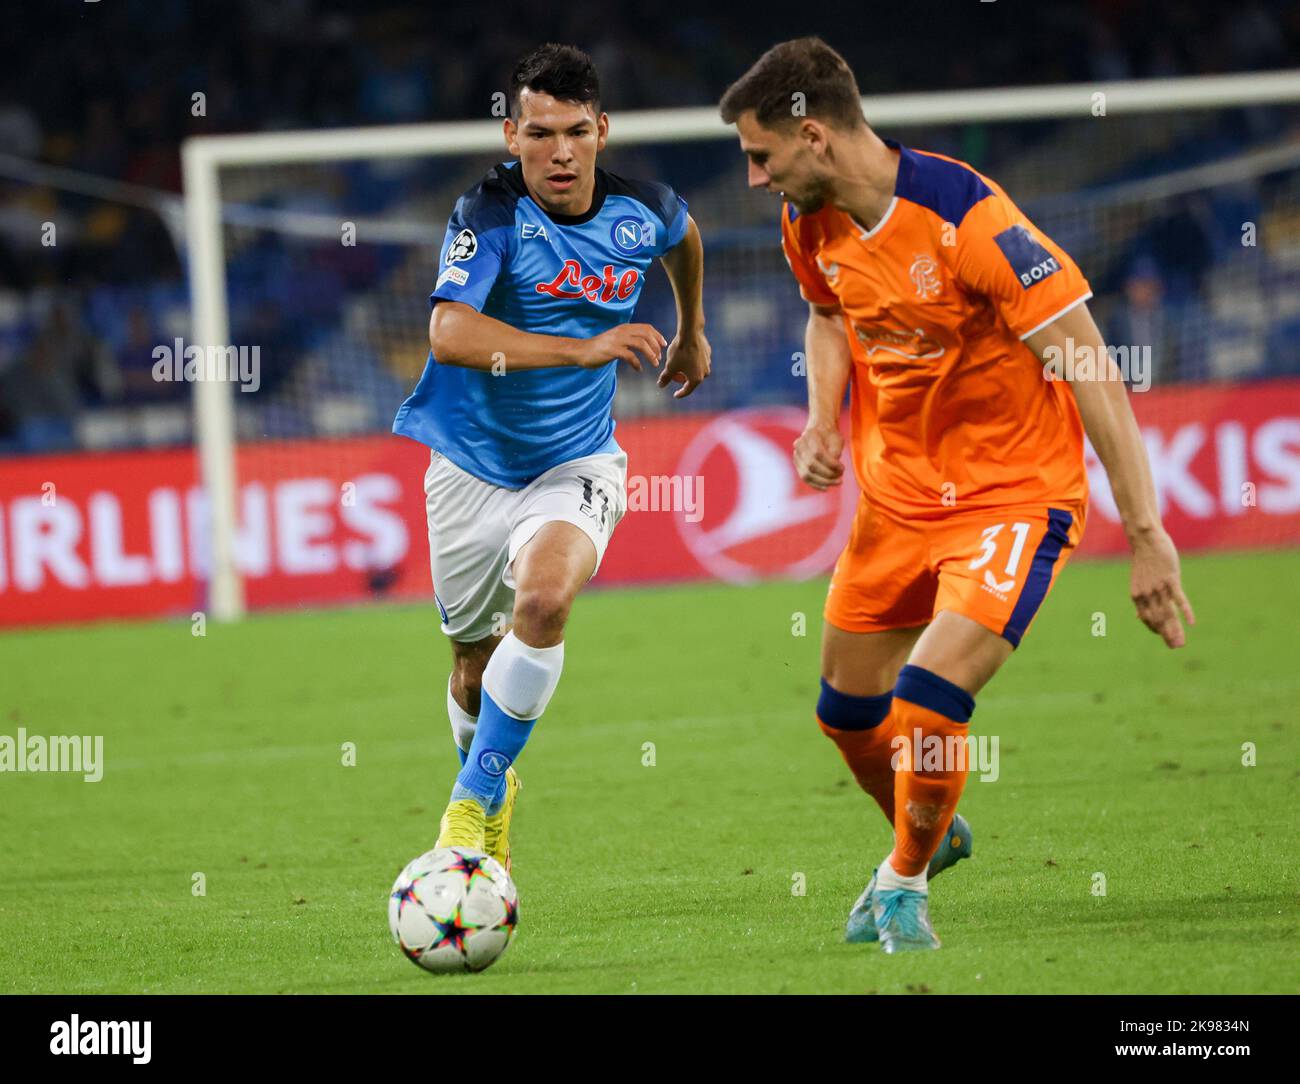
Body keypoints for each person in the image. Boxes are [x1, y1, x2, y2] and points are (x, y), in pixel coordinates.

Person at [720, 37, 1193, 952]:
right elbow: (826, 316)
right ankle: (931, 833)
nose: (753, 177)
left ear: (811, 136)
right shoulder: (806, 220)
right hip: (895, 501)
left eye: (760, 155)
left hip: (1010, 496)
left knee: (929, 702)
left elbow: (1093, 370)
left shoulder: (972, 221)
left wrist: (1146, 534)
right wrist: (824, 418)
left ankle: (901, 881)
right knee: (848, 716)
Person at [393, 43, 711, 869]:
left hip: (576, 464)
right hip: (467, 466)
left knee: (542, 604)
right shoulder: (488, 216)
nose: (559, 152)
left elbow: (685, 236)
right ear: (511, 135)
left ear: (601, 131)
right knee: (472, 667)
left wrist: (693, 329)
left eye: (575, 132)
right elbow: (449, 332)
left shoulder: (646, 208)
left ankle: (473, 801)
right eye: (539, 134)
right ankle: (492, 783)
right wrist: (580, 349)